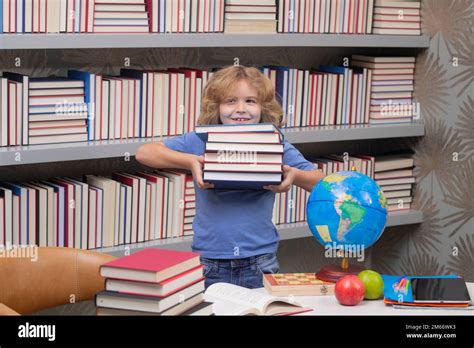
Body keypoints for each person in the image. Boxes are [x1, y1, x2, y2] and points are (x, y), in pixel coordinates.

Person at [135, 65, 325, 289]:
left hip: (260, 260)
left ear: (263, 107)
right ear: (216, 107)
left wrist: (294, 175)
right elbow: (144, 153)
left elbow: (321, 181)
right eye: (231, 101)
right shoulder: (200, 140)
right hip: (209, 260)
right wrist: (190, 161)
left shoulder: (275, 141)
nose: (241, 109)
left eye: (251, 101)